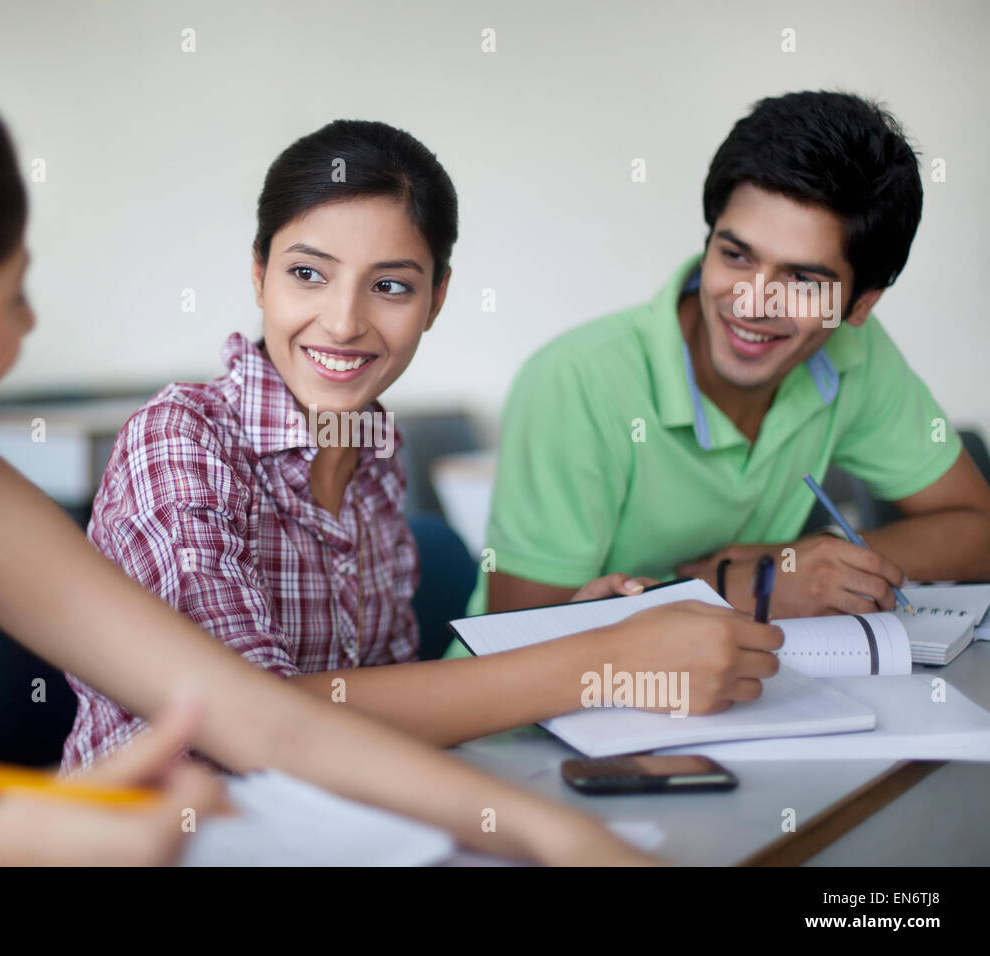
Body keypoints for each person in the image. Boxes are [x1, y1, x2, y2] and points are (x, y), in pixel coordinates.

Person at [0, 58, 652, 866]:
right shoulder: (174, 440)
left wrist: (555, 835)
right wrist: (9, 843)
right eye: (17, 299)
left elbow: (258, 722)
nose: (27, 340)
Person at [64, 120, 781, 761]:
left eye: (392, 287)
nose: (343, 323)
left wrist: (575, 633)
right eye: (307, 274)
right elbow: (242, 727)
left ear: (437, 298)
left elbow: (377, 707)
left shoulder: (376, 455)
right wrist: (601, 660)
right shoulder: (180, 438)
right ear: (259, 275)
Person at [458, 90, 990, 636]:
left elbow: (979, 528)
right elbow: (516, 642)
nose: (753, 304)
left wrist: (811, 561)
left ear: (860, 305)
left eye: (803, 280)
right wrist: (744, 588)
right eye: (736, 255)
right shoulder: (576, 381)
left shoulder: (854, 351)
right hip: (542, 715)